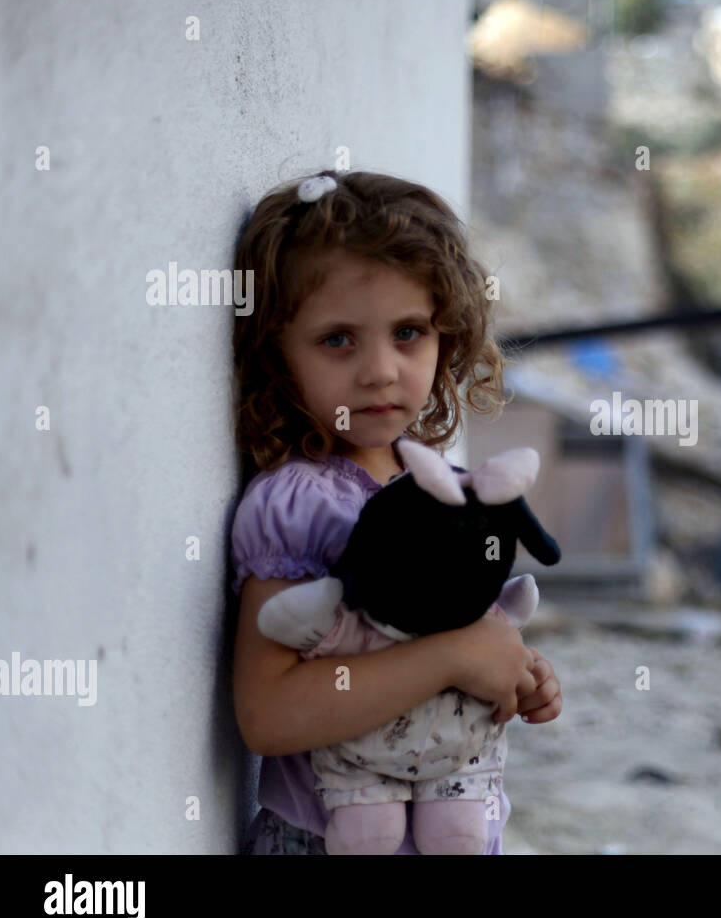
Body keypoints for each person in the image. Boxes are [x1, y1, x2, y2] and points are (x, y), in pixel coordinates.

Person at [228, 170, 562, 854]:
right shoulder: (303, 505)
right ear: (277, 355)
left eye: (408, 332)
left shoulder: (454, 497)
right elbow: (268, 713)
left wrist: (515, 672)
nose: (381, 370)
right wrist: (454, 657)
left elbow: (468, 636)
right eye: (337, 340)